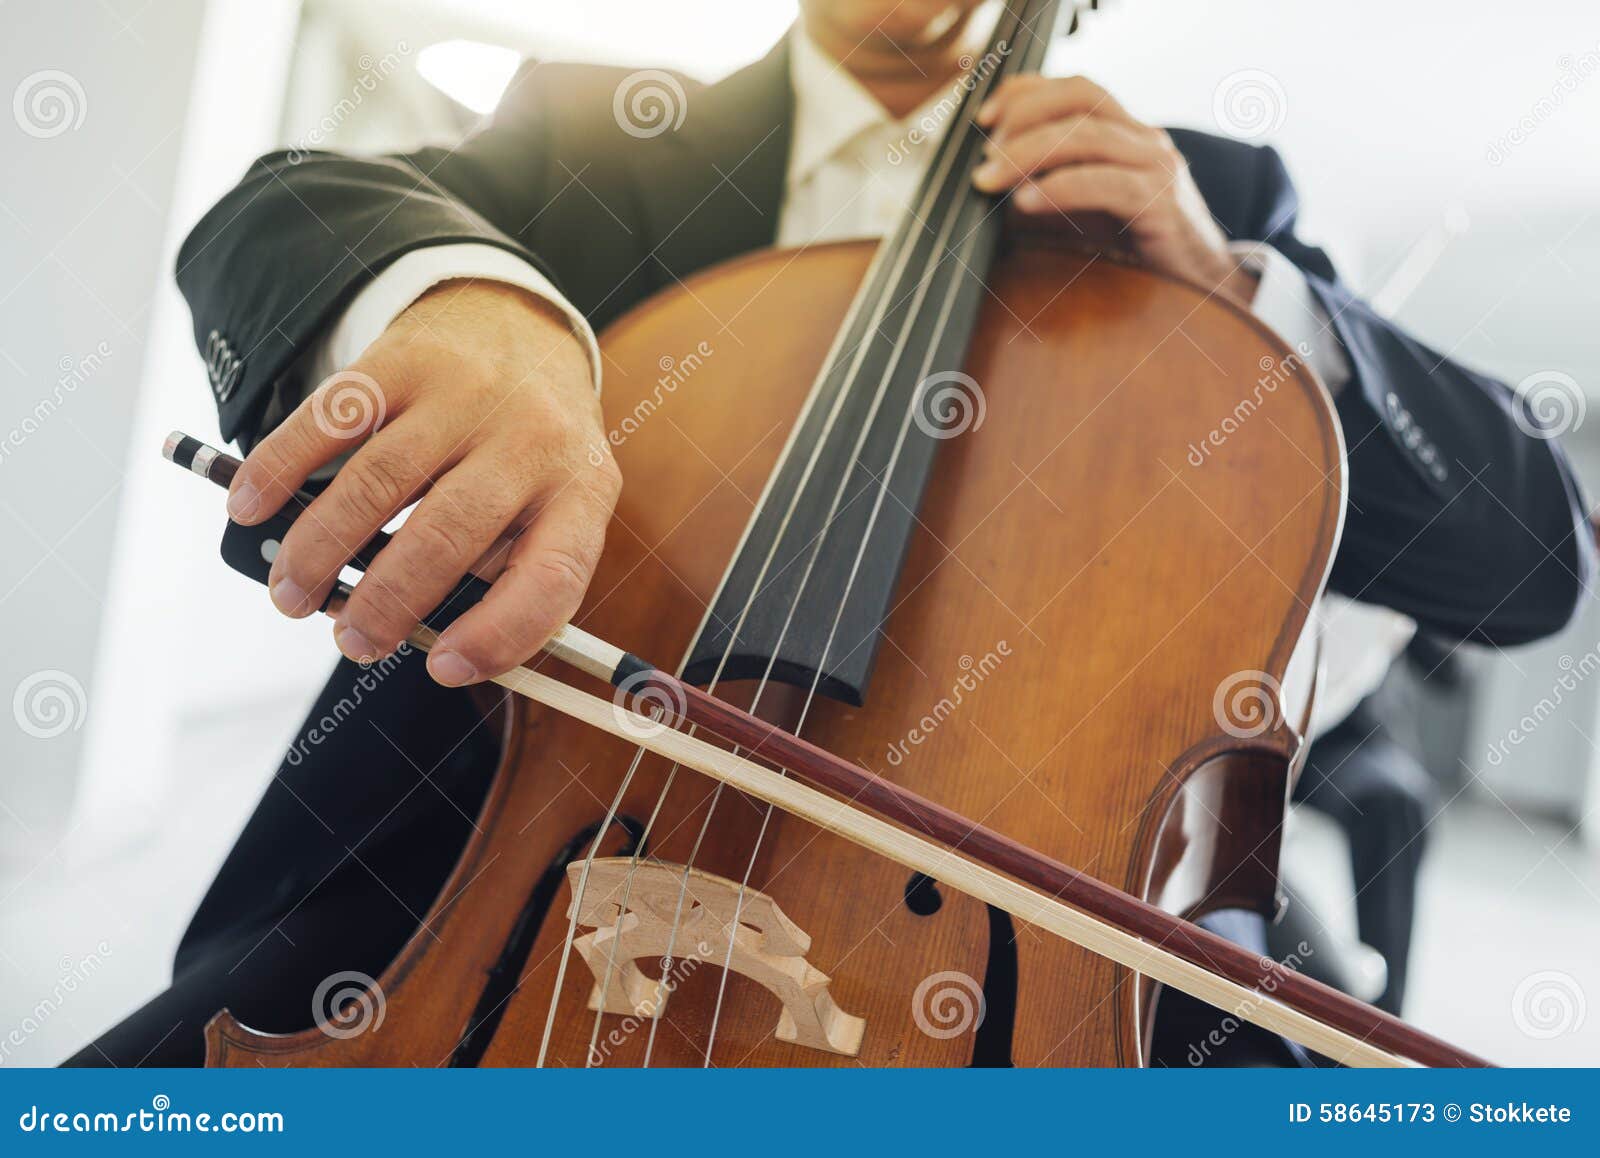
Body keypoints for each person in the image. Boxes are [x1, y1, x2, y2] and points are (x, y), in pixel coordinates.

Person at [69, 0, 1592, 1066]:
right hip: (502, 854)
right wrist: (474, 309)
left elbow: (1533, 554)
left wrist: (1237, 307)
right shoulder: (590, 128)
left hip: (1053, 912)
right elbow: (282, 216)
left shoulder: (1212, 194)